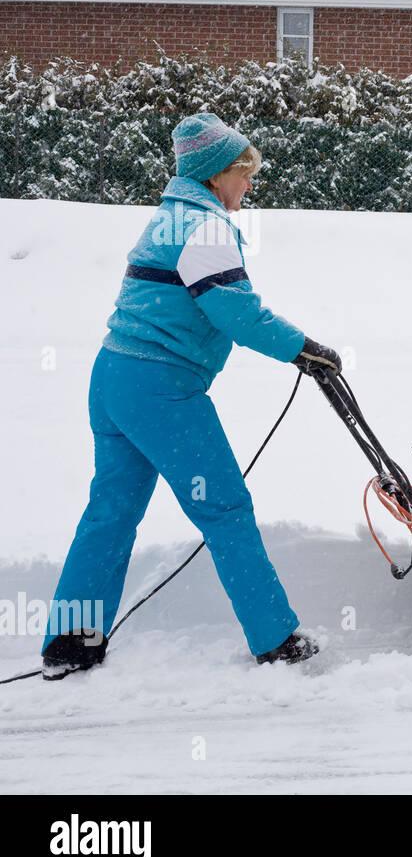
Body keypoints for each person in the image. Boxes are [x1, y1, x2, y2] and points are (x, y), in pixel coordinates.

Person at [40, 112, 342, 680]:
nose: (249, 185)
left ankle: (69, 642)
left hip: (113, 378)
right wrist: (305, 348)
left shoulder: (169, 218)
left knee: (110, 511)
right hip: (162, 389)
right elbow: (235, 311)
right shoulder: (204, 228)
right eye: (243, 174)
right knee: (225, 508)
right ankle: (275, 639)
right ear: (214, 174)